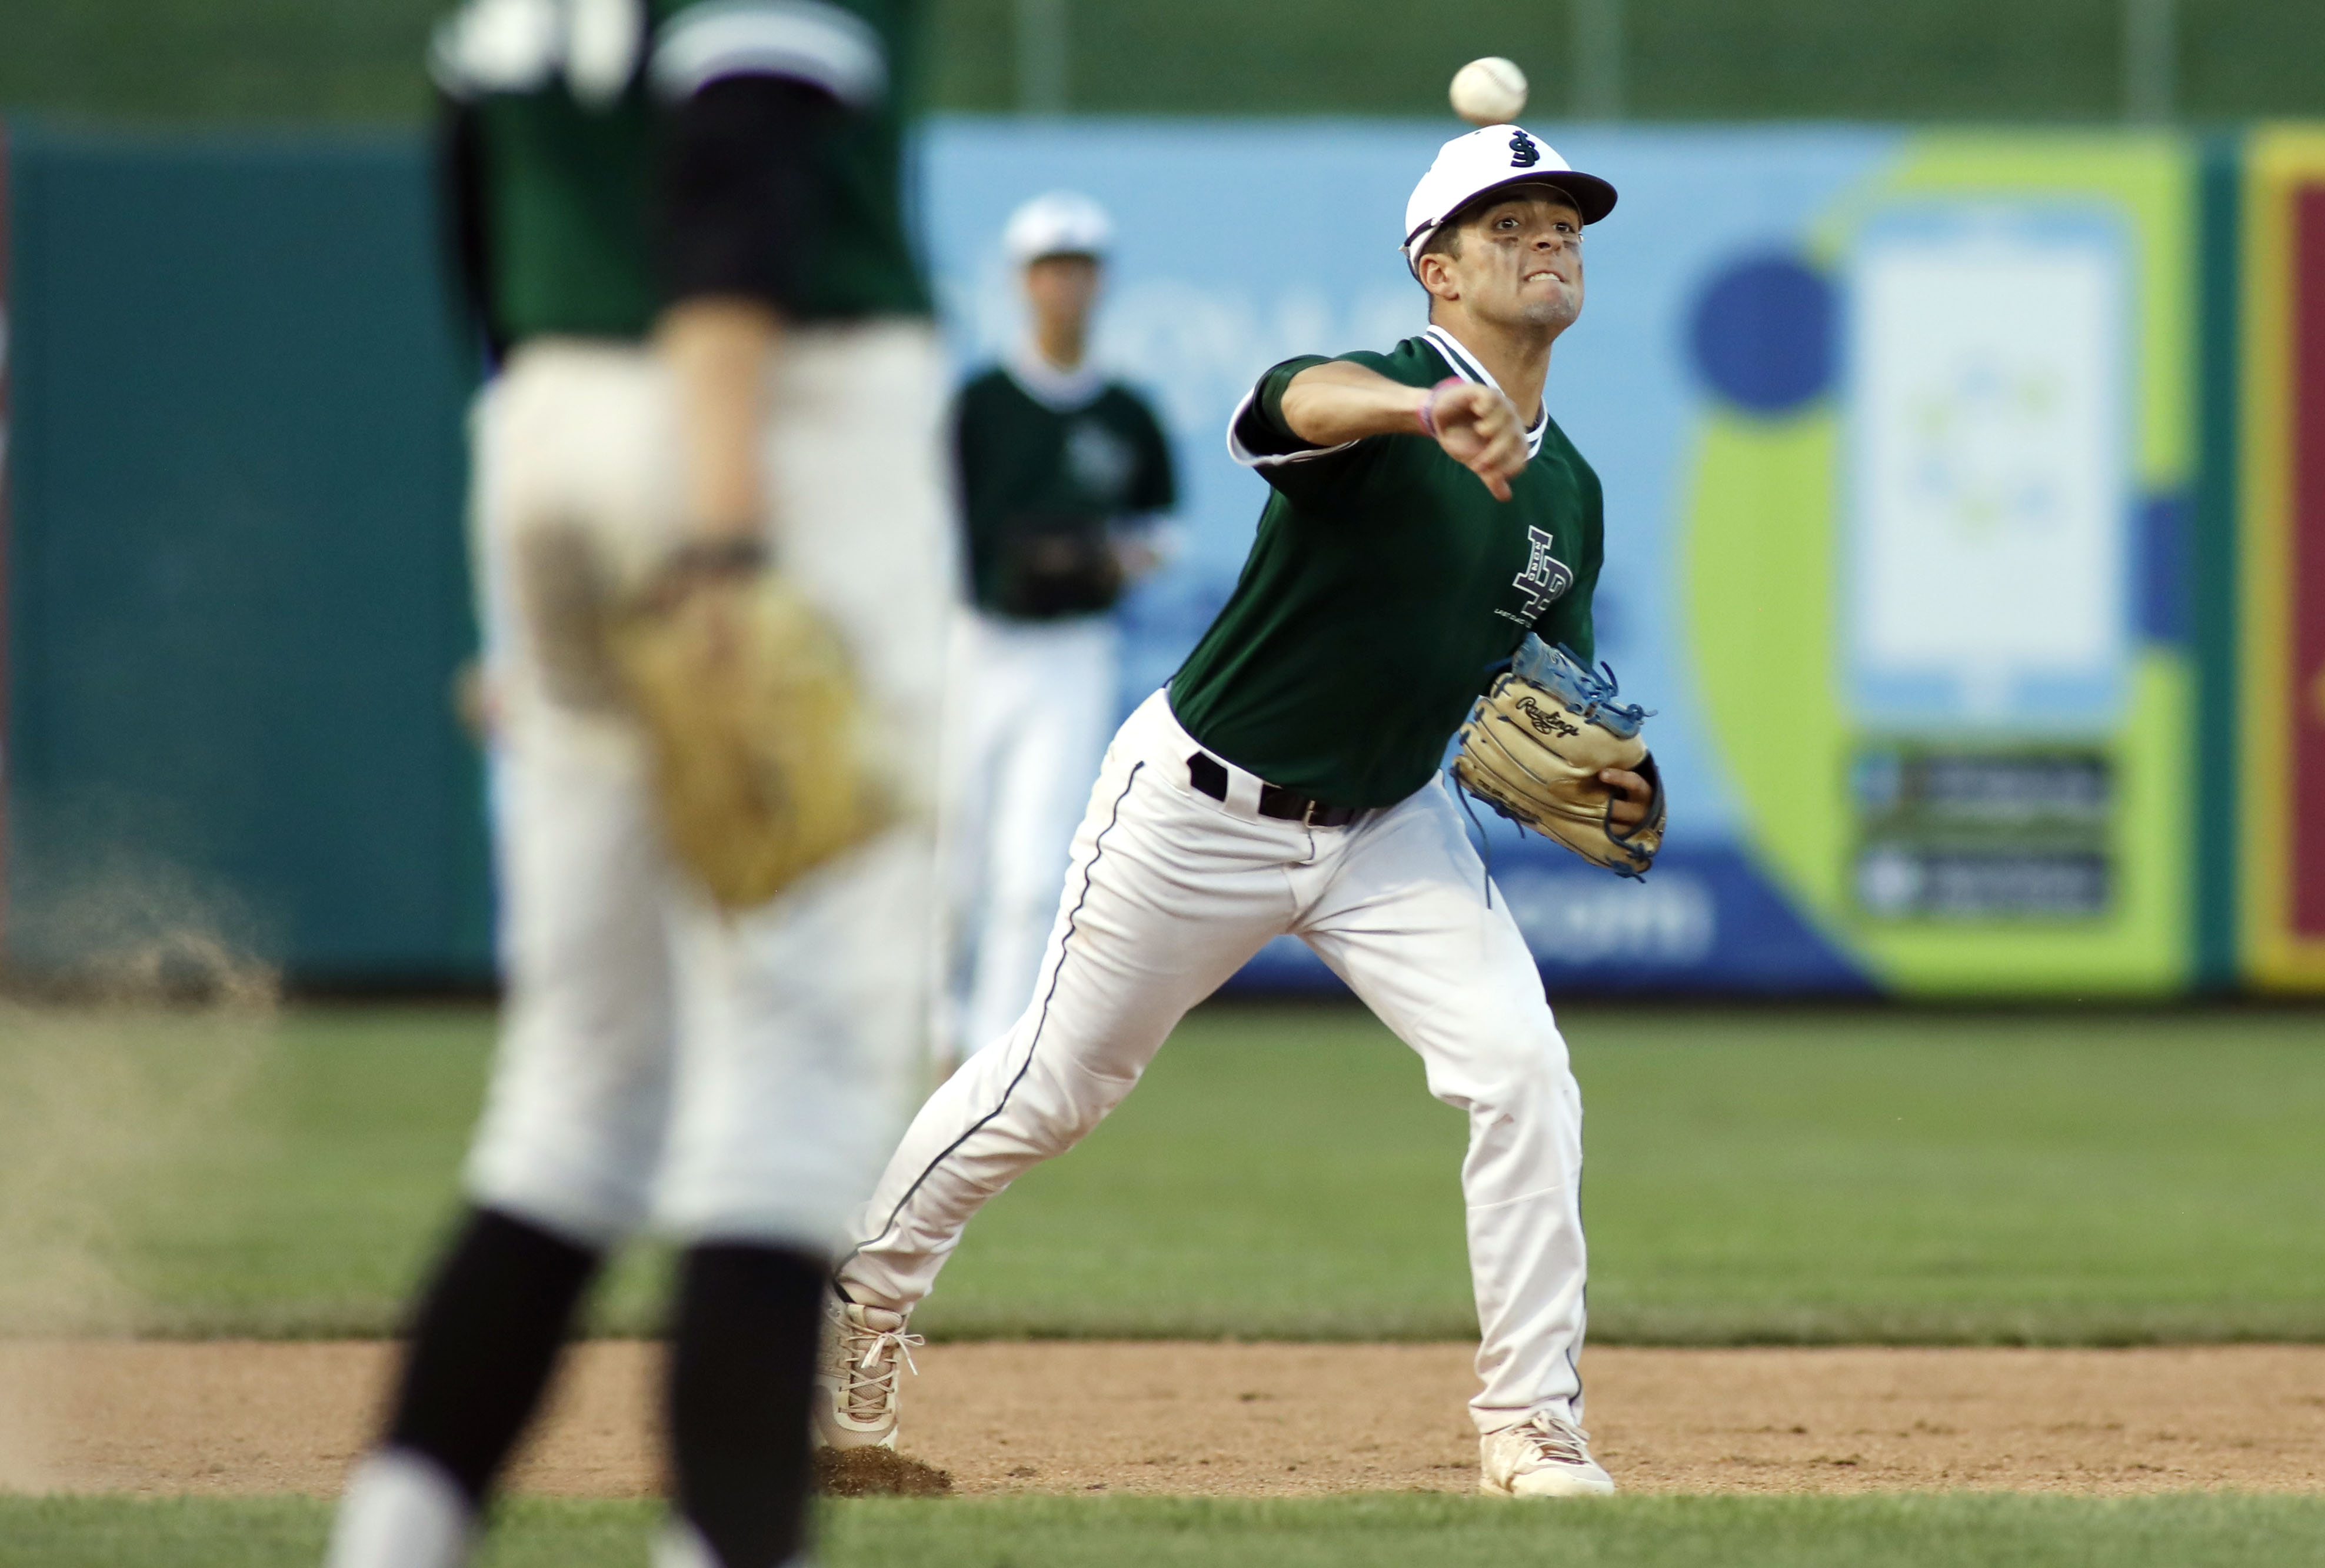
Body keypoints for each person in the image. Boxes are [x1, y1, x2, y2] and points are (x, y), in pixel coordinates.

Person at [814, 124, 1654, 1500]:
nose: (1548, 238)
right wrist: (1417, 413)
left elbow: (1528, 691)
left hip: (1387, 826)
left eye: (1563, 221)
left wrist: (1585, 760)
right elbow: (1287, 401)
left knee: (1519, 1073)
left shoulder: (1569, 490)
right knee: (1053, 1088)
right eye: (1508, 225)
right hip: (1200, 803)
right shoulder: (1385, 392)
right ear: (1434, 271)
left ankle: (1531, 1427)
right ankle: (858, 1304)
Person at [324, 1, 947, 1564]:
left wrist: (546, 557)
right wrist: (722, 543)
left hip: (546, 410)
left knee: (576, 1086)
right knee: (793, 1077)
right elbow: (740, 139)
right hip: (767, 423)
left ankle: (393, 1537)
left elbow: (472, 188)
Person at [940, 191, 1177, 1070]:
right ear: (1021, 283)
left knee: (1034, 869)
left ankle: (989, 1050)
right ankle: (936, 1019)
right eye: (1048, 270)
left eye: (1078, 269)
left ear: (1099, 283)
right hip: (979, 641)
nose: (1063, 286)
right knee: (949, 857)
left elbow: (1161, 526)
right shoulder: (982, 404)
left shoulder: (1124, 413)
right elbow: (937, 524)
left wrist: (1113, 556)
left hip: (1073, 648)